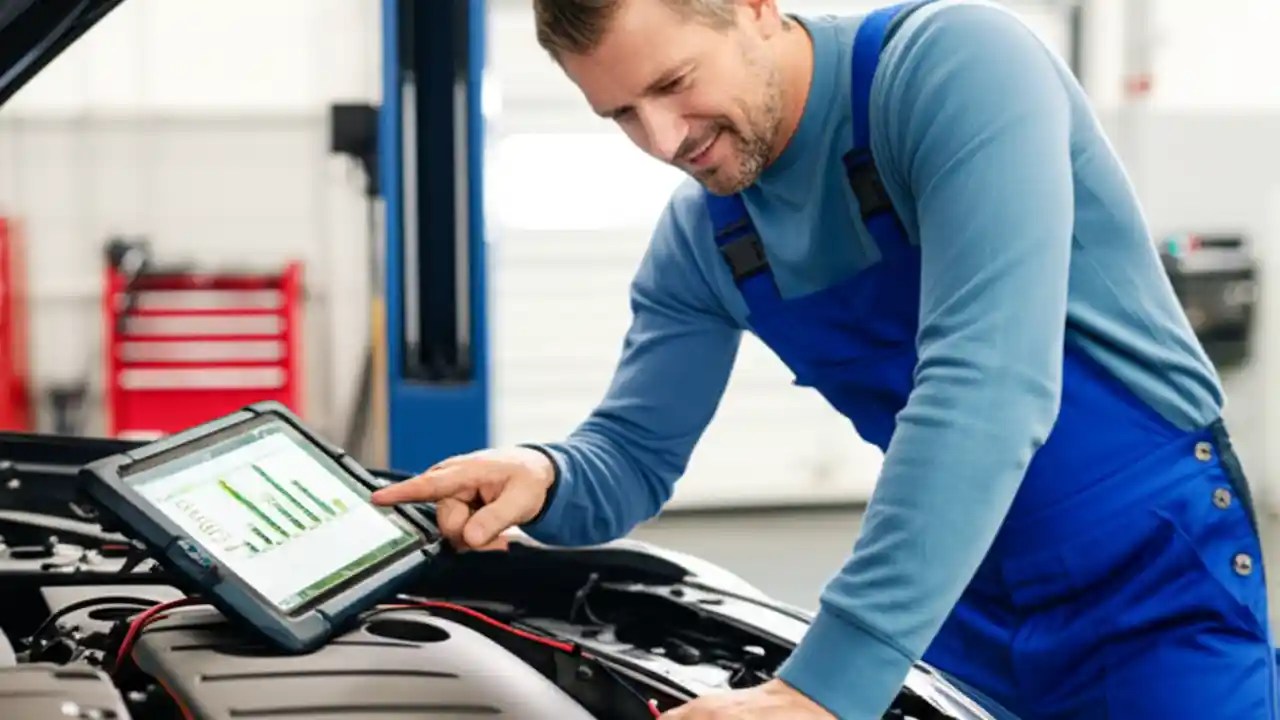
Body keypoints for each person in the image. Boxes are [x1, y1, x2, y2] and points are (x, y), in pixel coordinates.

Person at [372, 0, 1280, 717]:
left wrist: (828, 683)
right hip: (957, 593)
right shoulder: (705, 240)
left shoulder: (956, 68)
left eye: (674, 82)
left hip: (1148, 580)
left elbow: (987, 386)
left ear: (754, 7)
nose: (663, 140)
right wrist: (545, 474)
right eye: (621, 115)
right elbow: (633, 453)